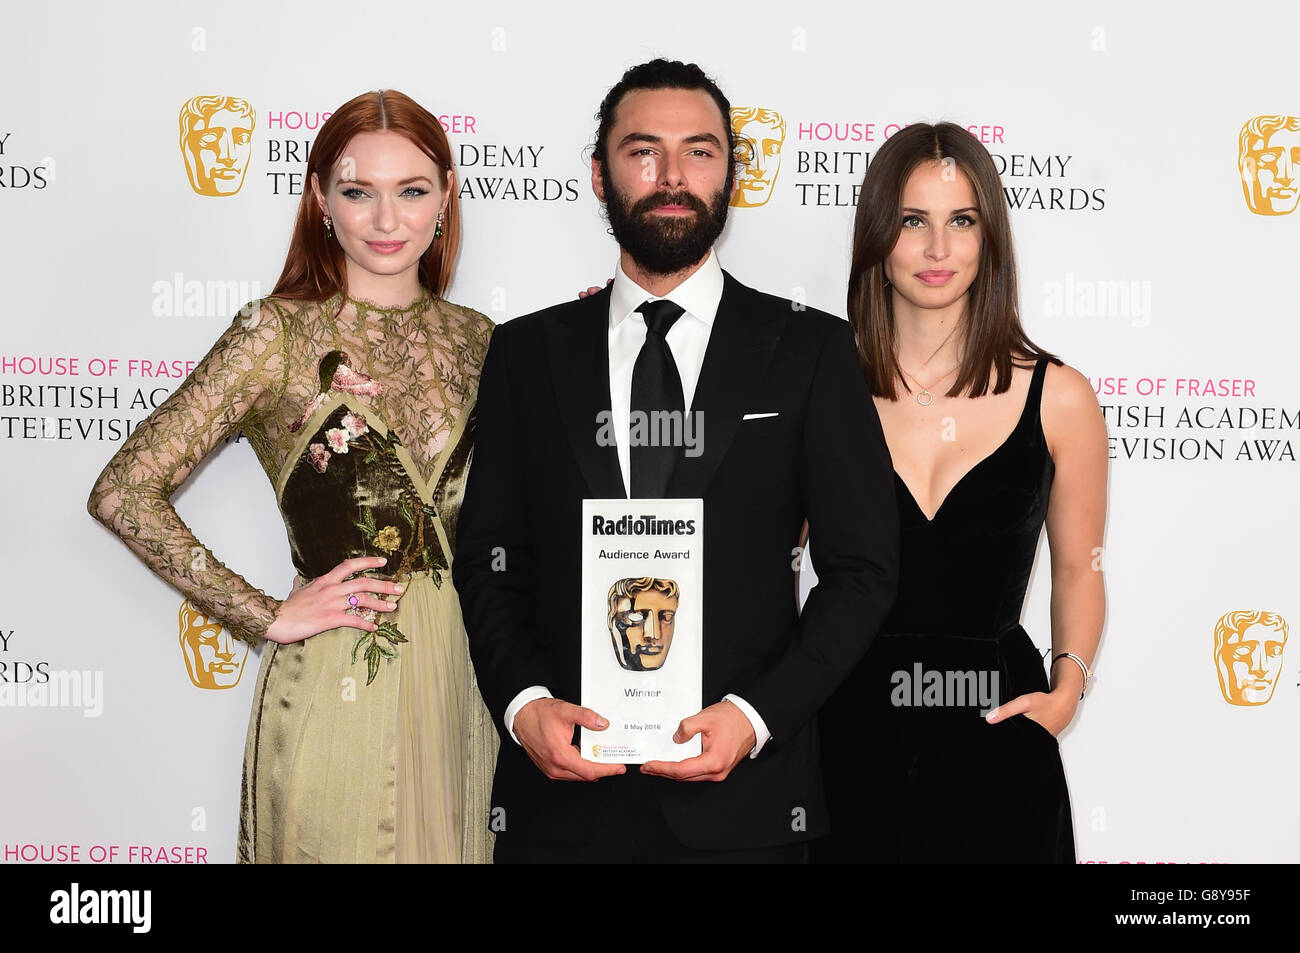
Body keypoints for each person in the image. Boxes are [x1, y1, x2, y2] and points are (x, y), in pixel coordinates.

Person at [453, 58, 899, 863]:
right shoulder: (525, 353)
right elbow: (489, 561)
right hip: (563, 805)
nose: (671, 175)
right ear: (599, 173)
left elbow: (863, 568)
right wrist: (523, 705)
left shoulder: (809, 349)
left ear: (731, 172)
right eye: (642, 150)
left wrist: (755, 716)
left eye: (699, 151)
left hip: (748, 810)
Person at [87, 89, 498, 864]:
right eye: (357, 191)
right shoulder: (273, 335)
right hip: (340, 686)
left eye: (412, 191)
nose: (386, 220)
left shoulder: (482, 342)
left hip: (468, 691)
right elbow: (122, 490)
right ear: (319, 198)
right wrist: (263, 613)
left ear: (445, 196)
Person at [813, 122, 1107, 863]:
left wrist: (1065, 691)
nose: (938, 249)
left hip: (997, 727)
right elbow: (765, 562)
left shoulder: (1060, 396)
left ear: (990, 238)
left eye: (962, 221)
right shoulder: (819, 389)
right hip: (844, 731)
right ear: (880, 234)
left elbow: (1079, 567)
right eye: (914, 221)